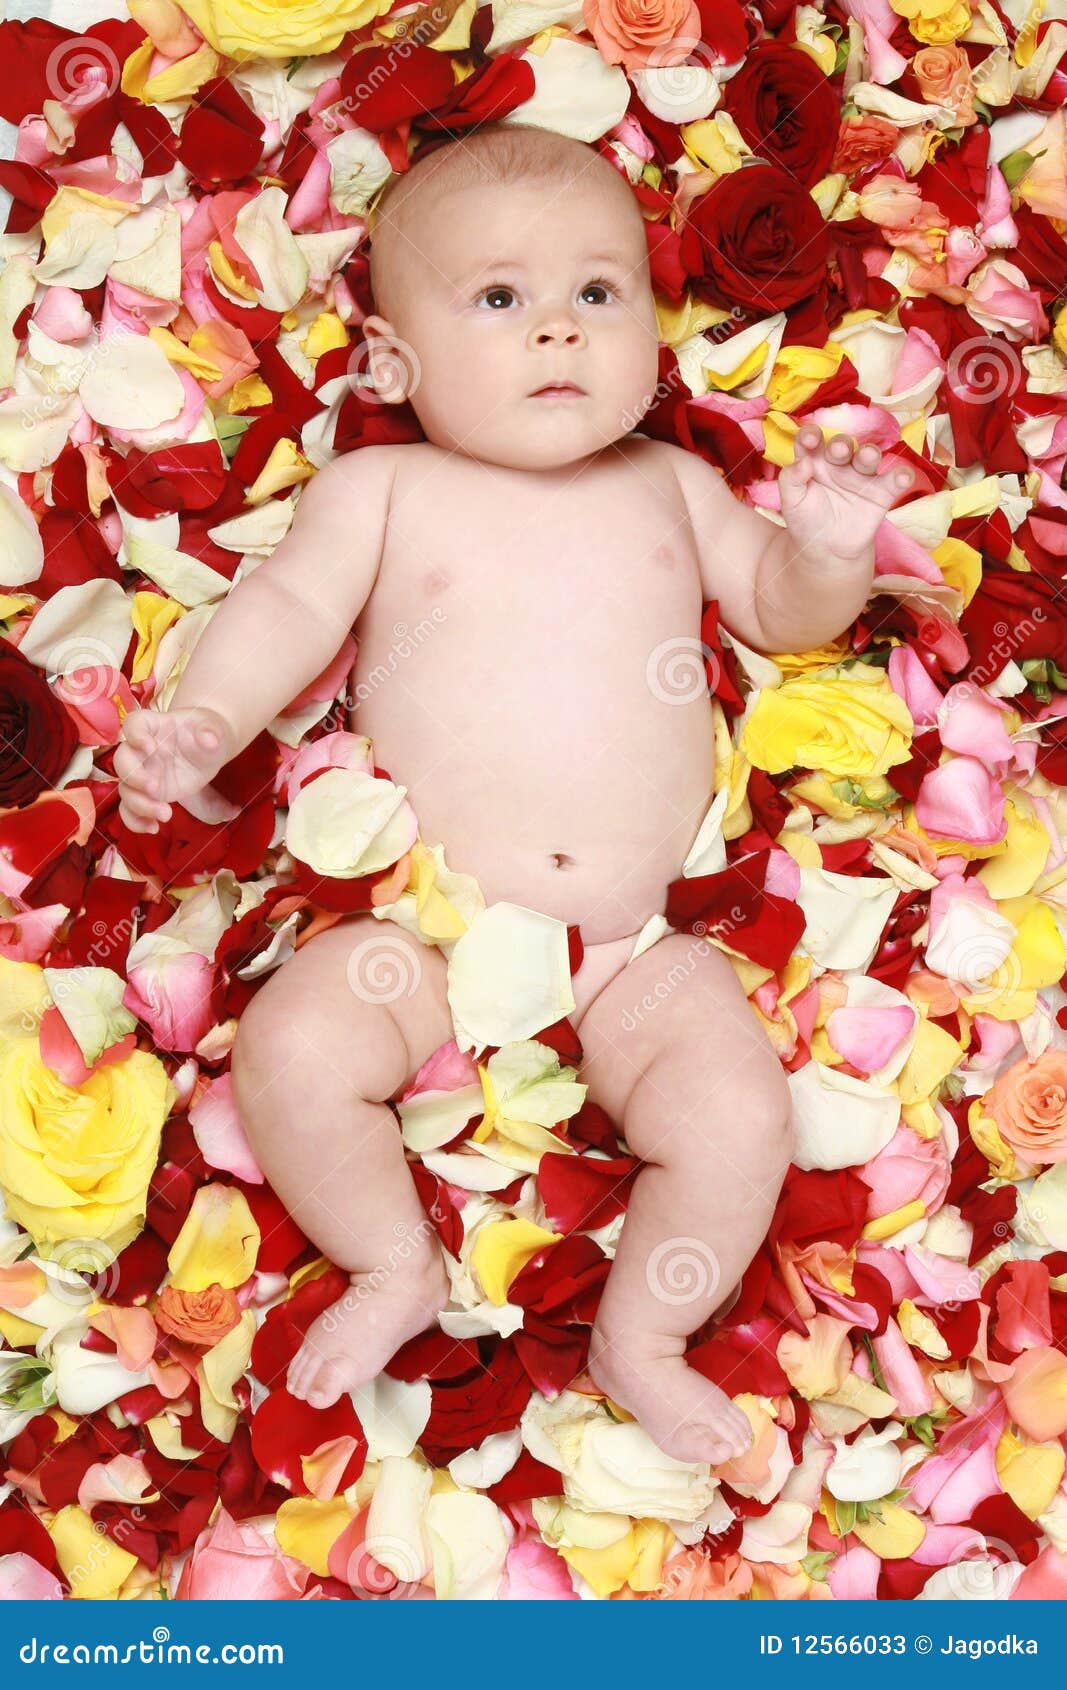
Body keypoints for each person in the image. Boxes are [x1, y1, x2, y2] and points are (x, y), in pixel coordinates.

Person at [115, 122, 914, 1466]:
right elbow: (290, 609)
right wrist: (204, 720)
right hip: (428, 937)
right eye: (501, 298)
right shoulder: (385, 488)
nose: (558, 331)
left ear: (649, 334)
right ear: (393, 357)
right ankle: (392, 1261)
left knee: (733, 1110)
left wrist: (829, 551)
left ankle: (641, 1335)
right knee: (296, 1046)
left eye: (596, 293)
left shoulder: (672, 483)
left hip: (632, 954)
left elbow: (780, 612)